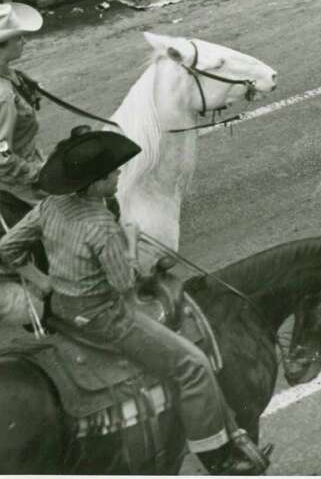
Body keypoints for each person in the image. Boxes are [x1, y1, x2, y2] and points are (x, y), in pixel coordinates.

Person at [0, 127, 270, 474]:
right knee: (194, 365)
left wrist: (44, 282)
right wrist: (128, 242)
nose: (119, 174)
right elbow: (124, 284)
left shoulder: (51, 206)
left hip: (61, 311)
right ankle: (219, 457)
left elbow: (7, 249)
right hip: (106, 319)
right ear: (95, 183)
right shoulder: (100, 226)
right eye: (113, 172)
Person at [0, 1, 46, 326]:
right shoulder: (2, 96)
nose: (24, 42)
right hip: (15, 183)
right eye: (19, 39)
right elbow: (1, 157)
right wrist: (38, 174)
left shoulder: (10, 76)